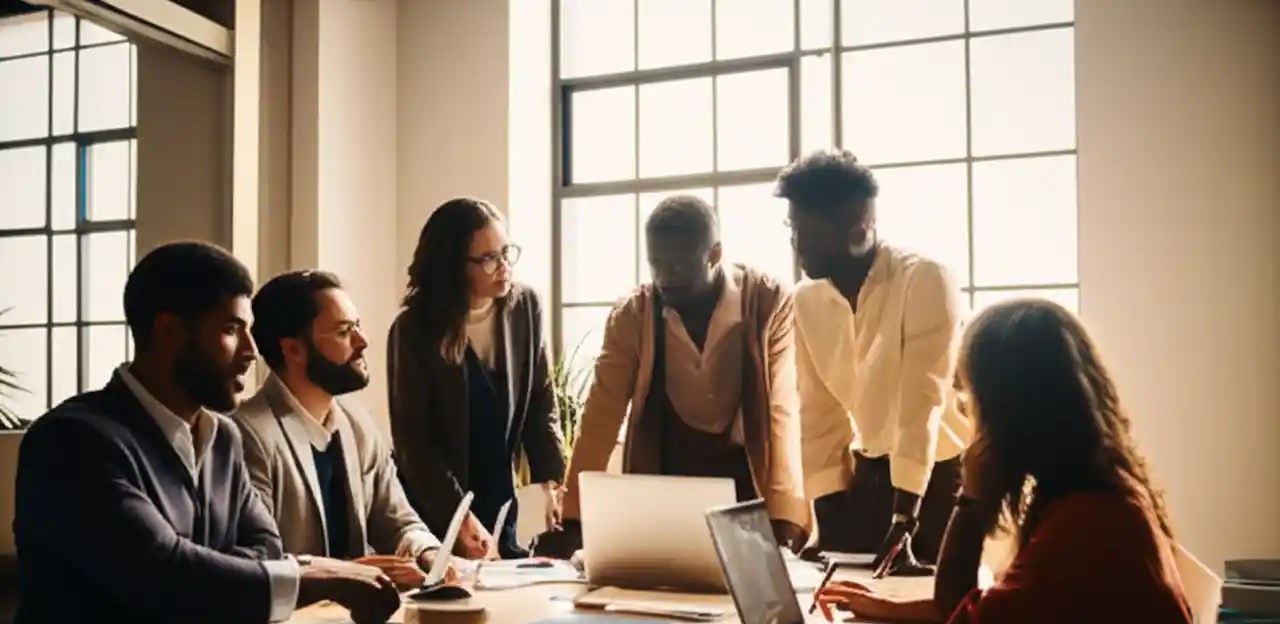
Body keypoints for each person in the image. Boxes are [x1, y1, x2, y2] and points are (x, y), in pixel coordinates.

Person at [4, 242, 399, 624]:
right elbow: (163, 577)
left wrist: (206, 580)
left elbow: (263, 549)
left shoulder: (224, 439)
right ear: (169, 331)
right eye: (231, 330)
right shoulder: (73, 441)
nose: (250, 351)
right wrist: (315, 577)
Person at [816, 299, 1205, 624]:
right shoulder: (1104, 494)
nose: (968, 415)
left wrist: (973, 496)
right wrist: (891, 609)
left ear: (1009, 411)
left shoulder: (1083, 529)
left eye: (972, 399)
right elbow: (994, 612)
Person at [542, 195, 809, 557]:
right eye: (657, 264)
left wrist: (786, 520)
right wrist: (574, 520)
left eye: (680, 266)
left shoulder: (769, 301)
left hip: (747, 476)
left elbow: (783, 412)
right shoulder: (633, 314)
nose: (666, 278)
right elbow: (601, 416)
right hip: (663, 479)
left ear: (714, 254)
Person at [779, 149, 970, 576]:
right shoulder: (805, 301)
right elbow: (819, 414)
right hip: (868, 472)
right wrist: (828, 524)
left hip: (935, 479)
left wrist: (905, 520)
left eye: (810, 232)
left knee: (926, 607)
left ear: (858, 231)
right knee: (850, 598)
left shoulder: (924, 280)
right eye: (793, 228)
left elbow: (921, 403)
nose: (797, 245)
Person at [234, 270, 453, 591]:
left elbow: (396, 518)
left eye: (357, 326)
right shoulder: (248, 433)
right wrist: (348, 574)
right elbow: (259, 561)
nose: (362, 342)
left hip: (362, 615)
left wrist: (427, 552)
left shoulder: (357, 422)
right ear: (293, 350)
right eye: (343, 332)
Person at [388, 198, 565, 560]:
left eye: (506, 252)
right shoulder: (414, 329)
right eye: (488, 259)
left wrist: (550, 481)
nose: (503, 267)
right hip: (437, 502)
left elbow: (540, 400)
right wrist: (459, 517)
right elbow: (415, 443)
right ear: (454, 265)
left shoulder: (525, 307)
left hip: (499, 493)